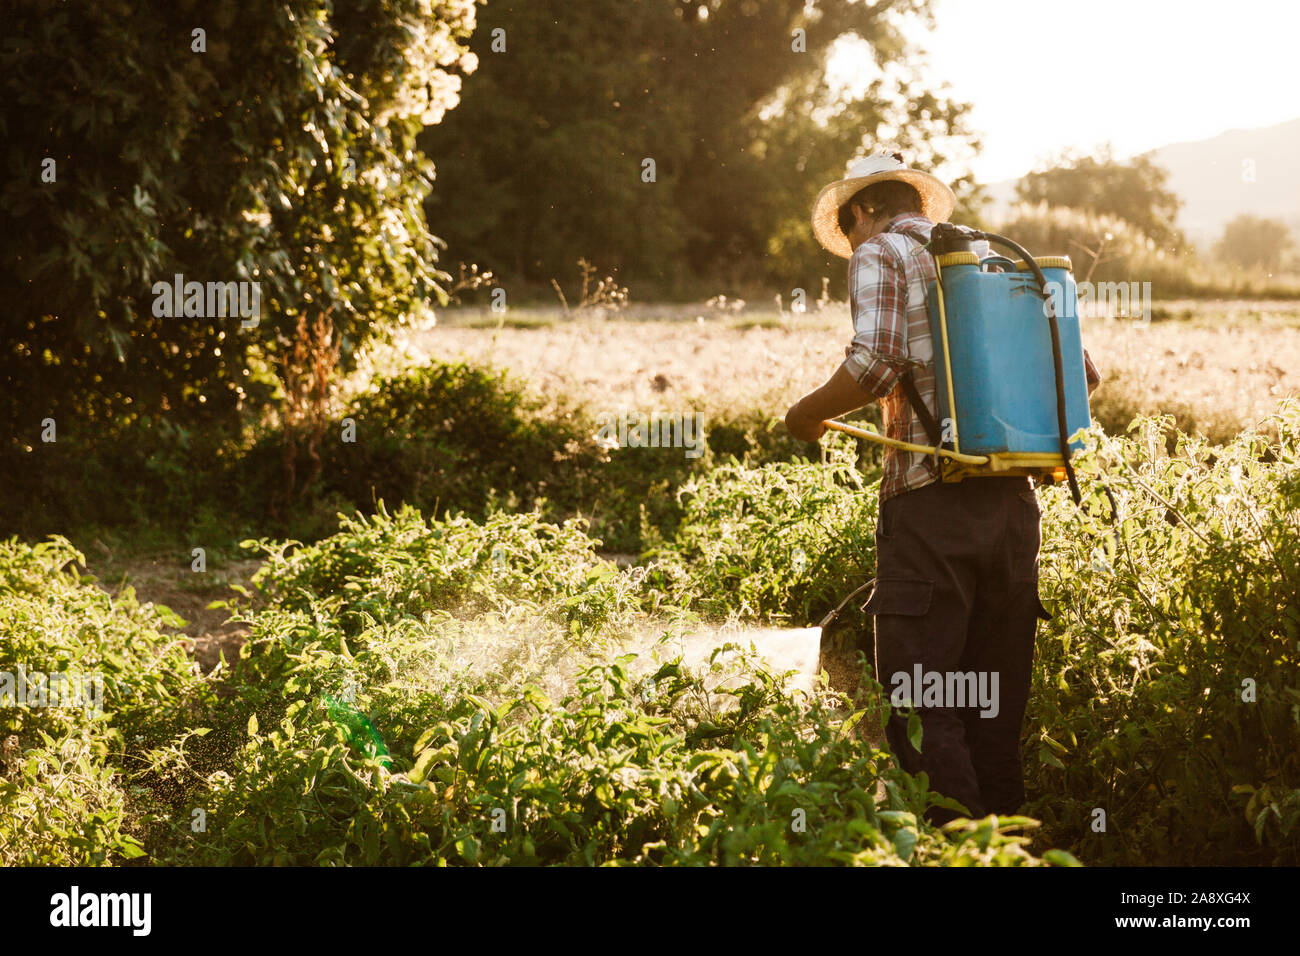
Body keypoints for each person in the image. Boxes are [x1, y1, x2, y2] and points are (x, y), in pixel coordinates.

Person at [785, 152, 1101, 823]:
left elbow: (874, 363)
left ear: (861, 212)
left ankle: (958, 850)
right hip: (1015, 506)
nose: (855, 242)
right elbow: (1084, 374)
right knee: (992, 710)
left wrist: (805, 413)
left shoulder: (882, 251)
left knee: (922, 704)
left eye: (852, 230)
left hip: (931, 506)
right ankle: (1008, 850)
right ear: (921, 204)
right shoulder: (998, 261)